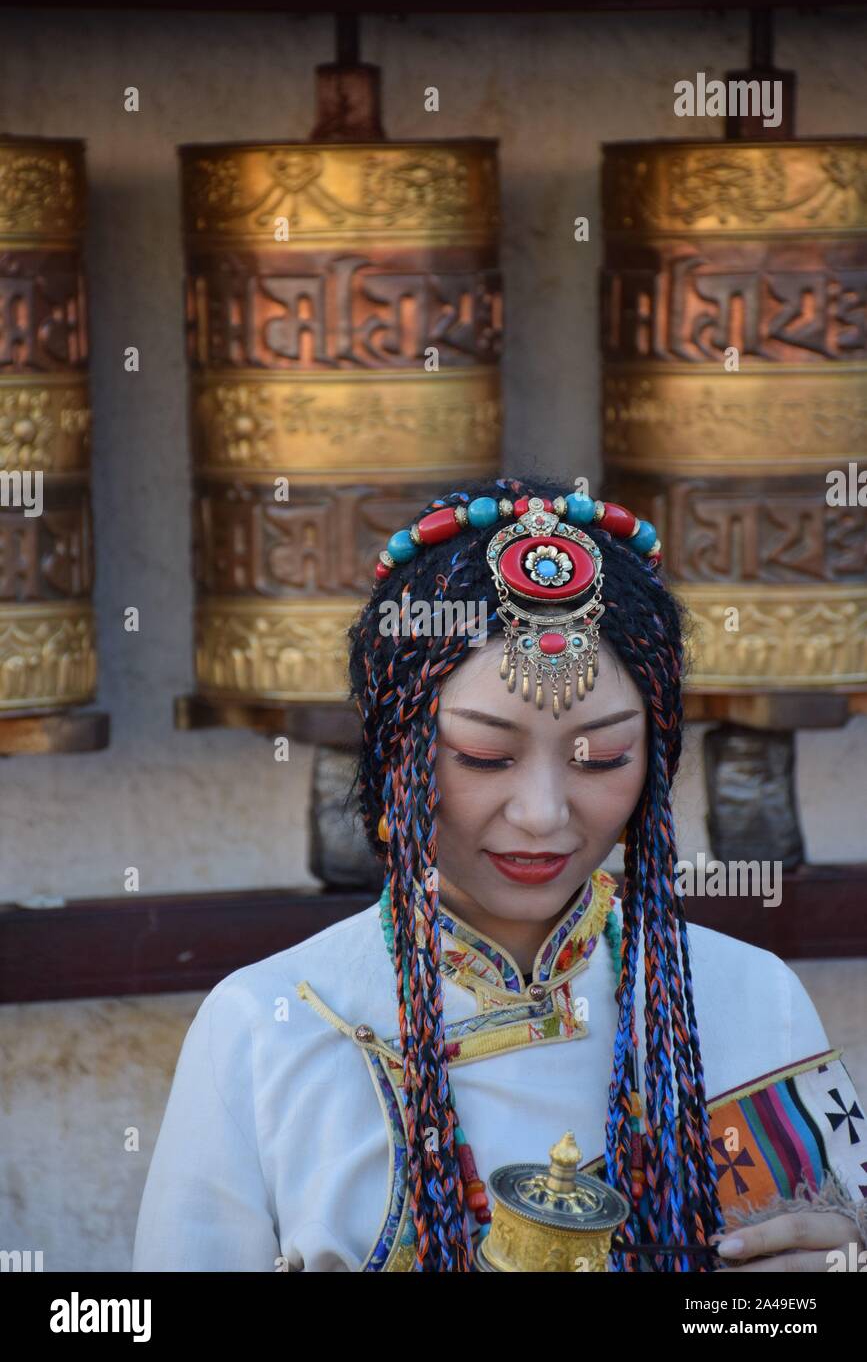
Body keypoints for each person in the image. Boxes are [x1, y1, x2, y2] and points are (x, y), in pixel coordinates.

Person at [132, 475, 867, 1272]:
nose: (544, 814)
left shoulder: (751, 999)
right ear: (395, 759)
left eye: (604, 756)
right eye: (485, 756)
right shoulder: (270, 1025)